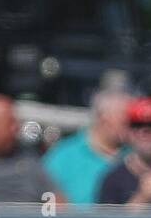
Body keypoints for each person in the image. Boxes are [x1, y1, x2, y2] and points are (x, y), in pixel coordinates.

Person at [42, 75, 131, 206]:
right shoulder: (63, 157)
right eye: (126, 120)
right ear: (104, 119)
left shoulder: (136, 156)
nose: (133, 127)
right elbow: (45, 204)